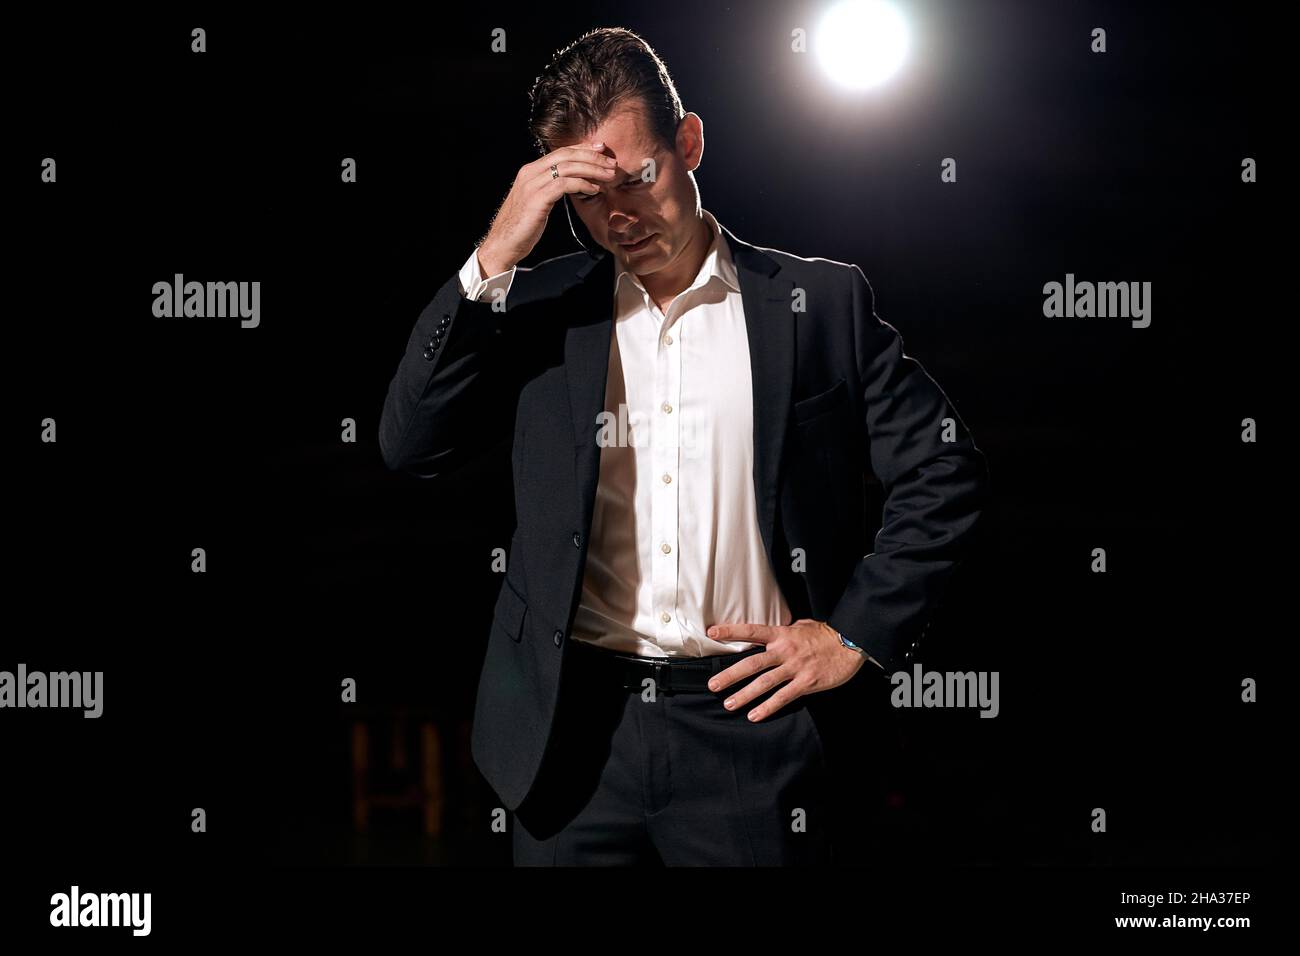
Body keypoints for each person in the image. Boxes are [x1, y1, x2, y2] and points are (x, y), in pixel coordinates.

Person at [379, 26, 989, 865]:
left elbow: (943, 467)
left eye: (637, 178)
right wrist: (493, 255)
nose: (618, 215)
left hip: (753, 732)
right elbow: (409, 444)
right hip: (570, 736)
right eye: (588, 196)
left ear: (689, 142)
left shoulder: (819, 304)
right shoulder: (540, 310)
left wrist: (854, 635)